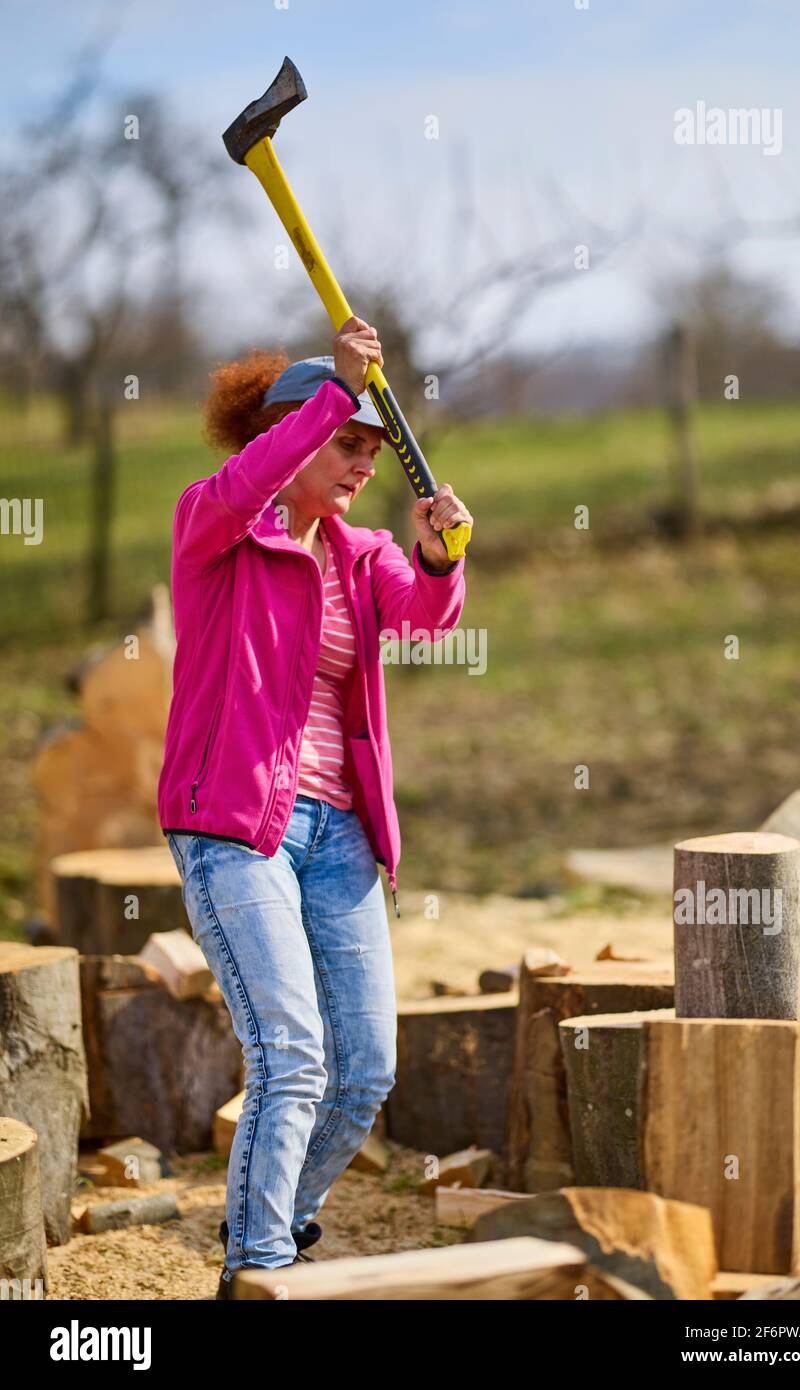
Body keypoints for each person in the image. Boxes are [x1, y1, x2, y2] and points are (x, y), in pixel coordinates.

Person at [156, 316, 472, 1298]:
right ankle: (256, 1270)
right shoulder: (212, 527)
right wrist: (340, 391)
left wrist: (436, 557)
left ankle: (272, 1224)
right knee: (289, 1049)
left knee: (362, 1069)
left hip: (339, 837)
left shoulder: (359, 551)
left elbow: (424, 618)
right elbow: (248, 482)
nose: (363, 465)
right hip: (235, 826)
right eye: (347, 443)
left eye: (374, 450)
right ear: (289, 433)